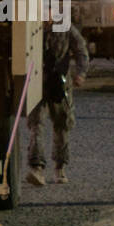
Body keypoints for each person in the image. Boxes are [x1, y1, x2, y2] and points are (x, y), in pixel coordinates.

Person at [25, 19, 89, 186]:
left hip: (60, 82)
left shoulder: (65, 27)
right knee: (36, 123)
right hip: (37, 80)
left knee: (62, 123)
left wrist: (81, 73)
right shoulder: (31, 26)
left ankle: (60, 167)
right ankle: (36, 167)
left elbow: (81, 49)